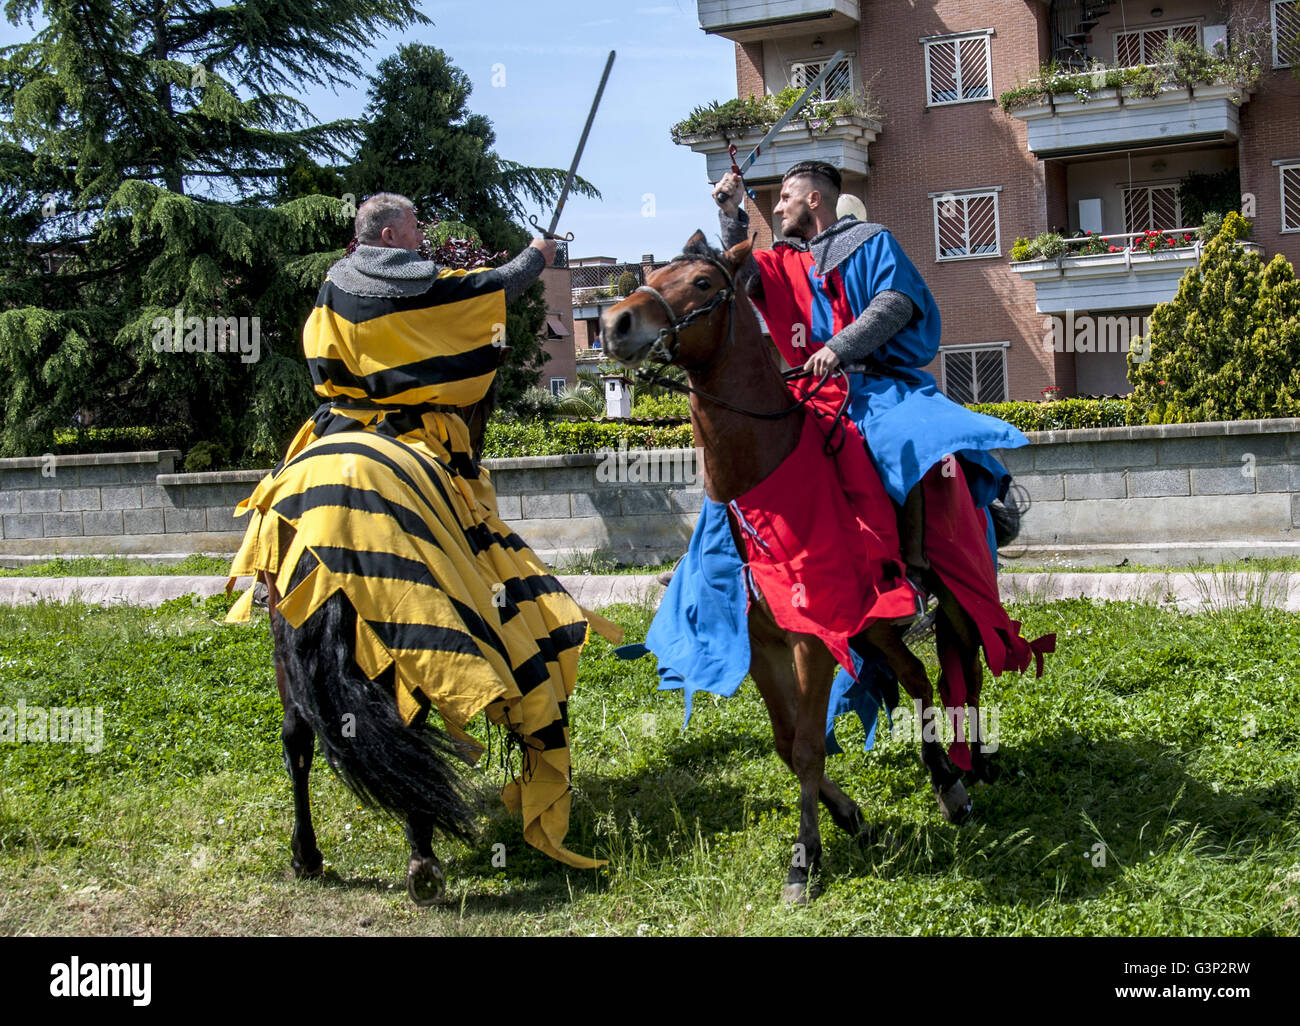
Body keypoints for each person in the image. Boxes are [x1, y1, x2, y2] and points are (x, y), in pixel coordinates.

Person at [225, 193, 609, 869]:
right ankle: (473, 624)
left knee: (285, 498)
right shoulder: (410, 280)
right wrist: (540, 256)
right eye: (416, 227)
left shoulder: (330, 291)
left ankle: (271, 586)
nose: (424, 237)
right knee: (463, 527)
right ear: (392, 232)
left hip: (330, 431)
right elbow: (489, 288)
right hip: (406, 440)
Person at [712, 161, 1027, 593]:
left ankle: (914, 570)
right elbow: (744, 275)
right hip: (811, 391)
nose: (779, 208)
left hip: (875, 386)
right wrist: (731, 214)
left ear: (814, 200)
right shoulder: (785, 261)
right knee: (743, 451)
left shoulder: (871, 241)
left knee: (906, 439)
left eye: (786, 198)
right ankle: (719, 566)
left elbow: (895, 303)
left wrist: (838, 347)